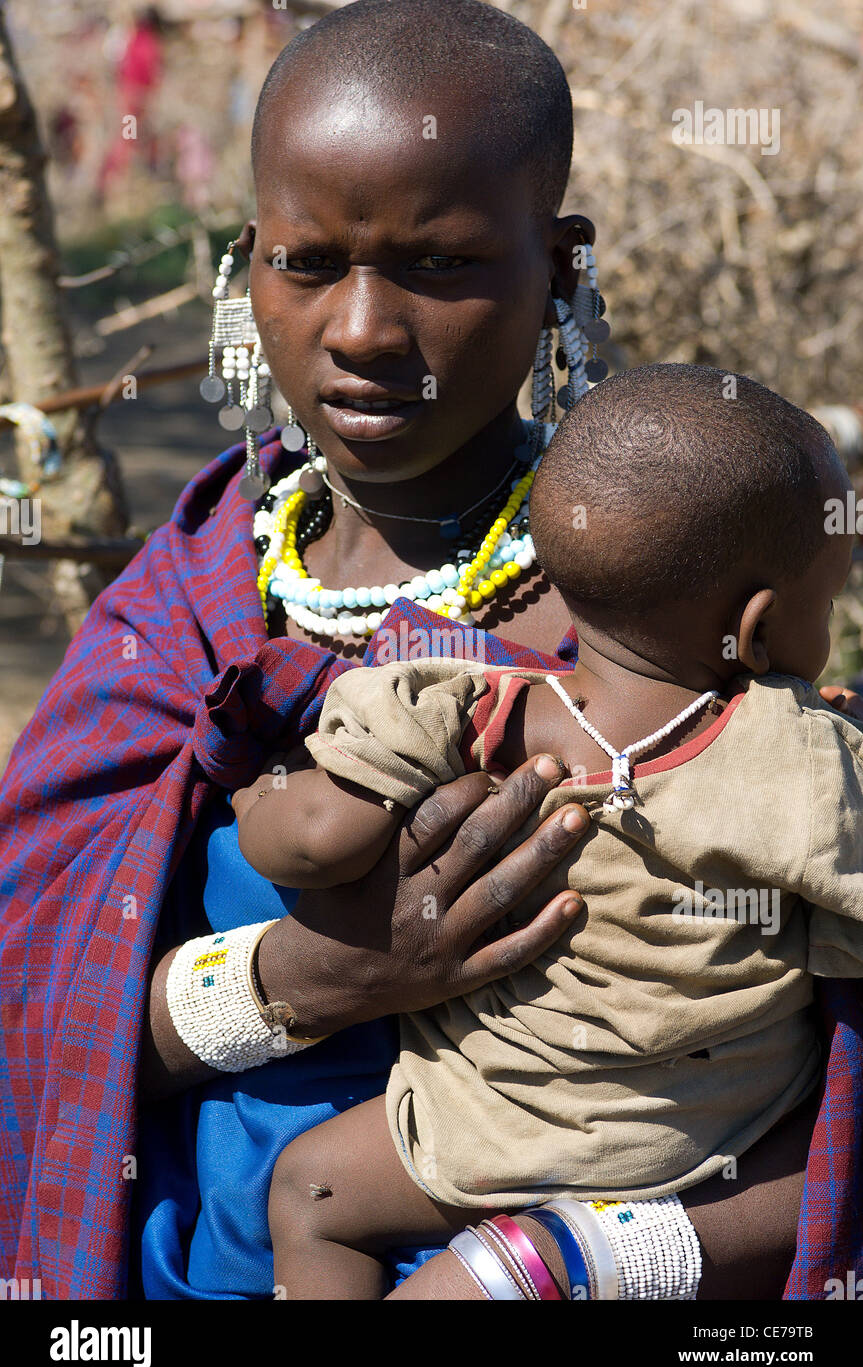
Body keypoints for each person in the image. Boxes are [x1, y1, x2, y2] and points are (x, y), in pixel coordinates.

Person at [1, 0, 860, 1301]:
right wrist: (302, 978)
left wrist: (567, 1259)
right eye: (307, 262)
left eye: (440, 264)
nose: (359, 328)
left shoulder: (662, 633)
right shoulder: (178, 601)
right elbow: (34, 1001)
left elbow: (823, 1102)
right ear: (248, 268)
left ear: (559, 269)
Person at [226, 364, 863, 1299]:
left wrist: (257, 805)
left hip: (485, 1122)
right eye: (830, 600)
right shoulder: (801, 760)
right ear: (756, 628)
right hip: (700, 1140)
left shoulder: (463, 708)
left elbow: (313, 841)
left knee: (310, 1194)